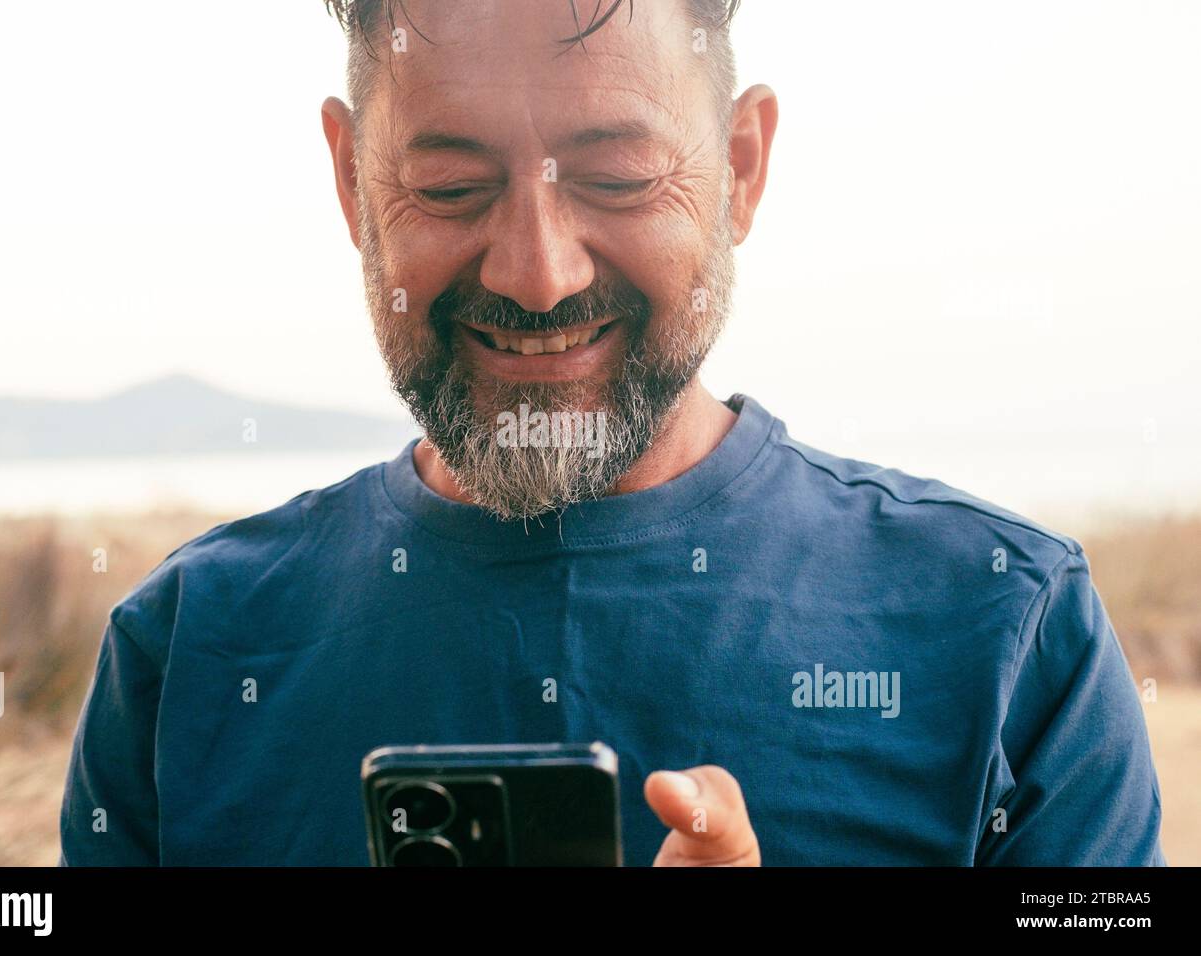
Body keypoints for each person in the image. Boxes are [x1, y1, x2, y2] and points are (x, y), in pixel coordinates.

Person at [59, 0, 1165, 866]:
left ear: (740, 167)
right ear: (352, 180)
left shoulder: (1008, 627)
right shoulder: (187, 649)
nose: (537, 275)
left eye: (617, 177)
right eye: (450, 187)